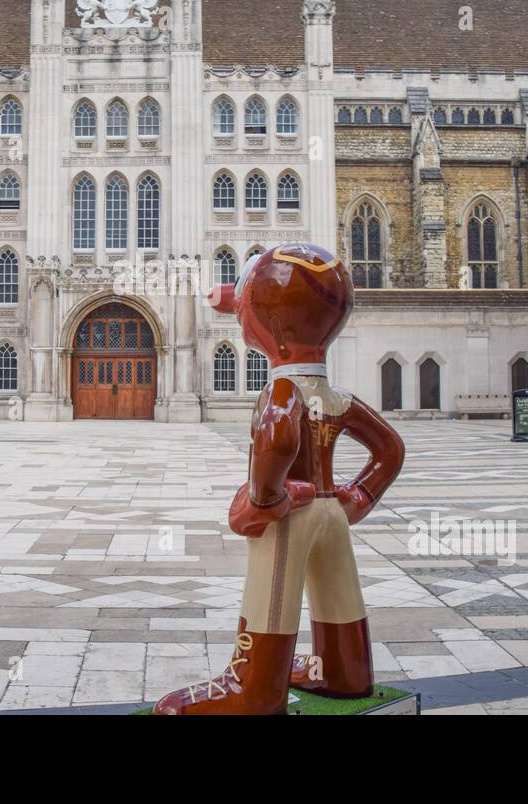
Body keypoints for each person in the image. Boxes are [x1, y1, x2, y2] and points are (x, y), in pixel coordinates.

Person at [154, 244, 406, 715]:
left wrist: (266, 498)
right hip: (333, 511)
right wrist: (358, 497)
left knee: (271, 593)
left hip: (292, 513)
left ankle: (253, 687)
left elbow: (278, 439)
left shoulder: (284, 388)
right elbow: (390, 449)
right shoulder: (336, 396)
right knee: (337, 590)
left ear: (264, 322)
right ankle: (344, 670)